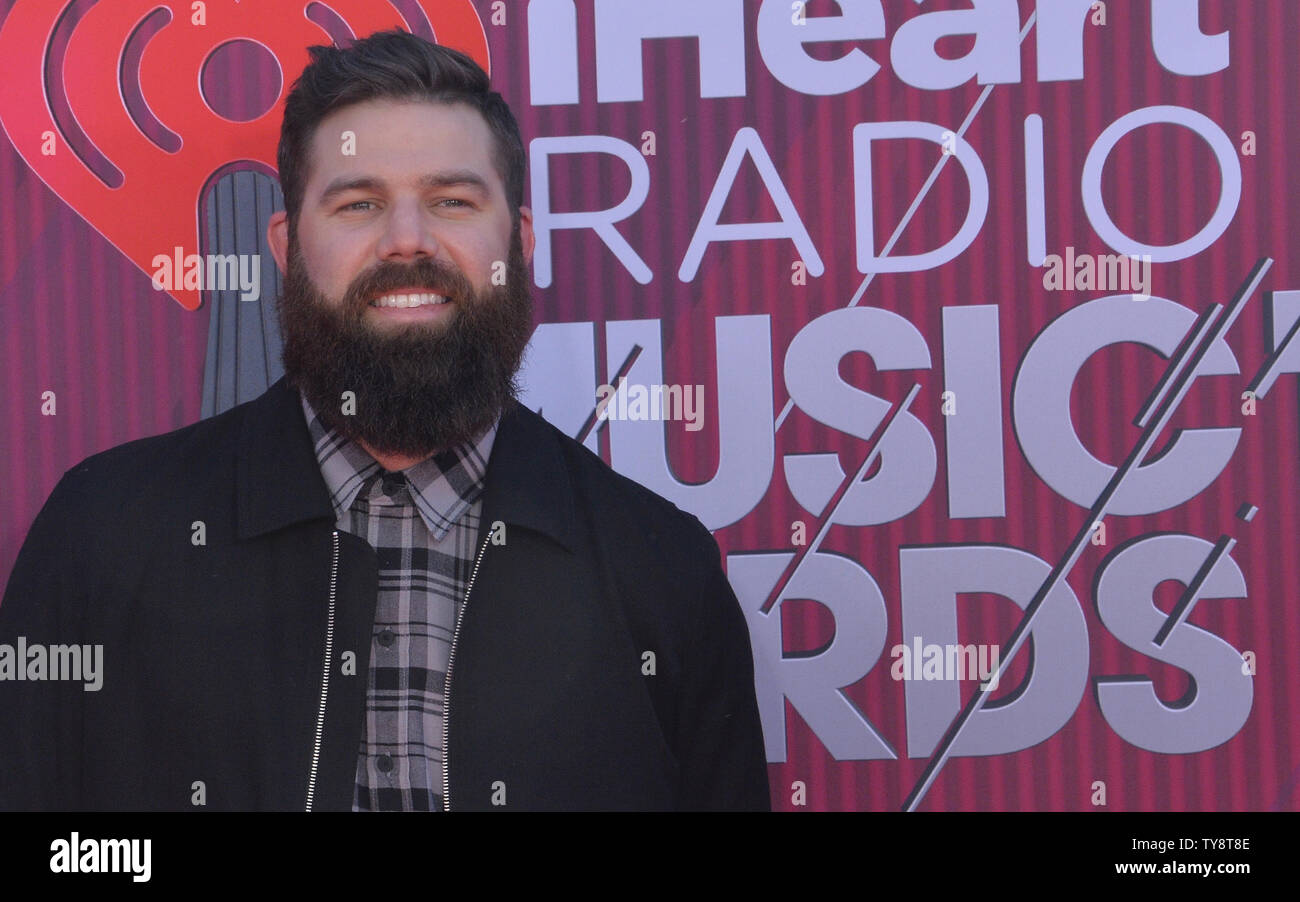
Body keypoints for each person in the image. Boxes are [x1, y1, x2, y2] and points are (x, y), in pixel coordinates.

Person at [0, 30, 769, 811]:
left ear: (522, 244)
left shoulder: (663, 570)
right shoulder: (102, 534)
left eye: (452, 201)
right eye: (359, 203)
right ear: (286, 246)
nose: (407, 240)